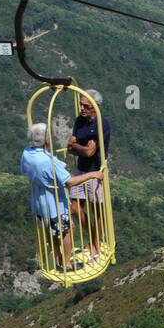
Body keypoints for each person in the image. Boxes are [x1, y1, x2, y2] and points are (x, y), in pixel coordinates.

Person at [21, 123, 101, 272]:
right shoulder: (49, 161)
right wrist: (93, 174)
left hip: (38, 203)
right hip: (55, 205)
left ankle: (58, 259)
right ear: (46, 140)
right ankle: (67, 264)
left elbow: (27, 170)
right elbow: (70, 182)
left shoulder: (26, 153)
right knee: (68, 230)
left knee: (50, 232)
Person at [66, 91, 111, 261]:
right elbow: (72, 148)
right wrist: (79, 148)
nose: (82, 108)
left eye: (86, 105)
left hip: (96, 171)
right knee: (75, 208)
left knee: (96, 210)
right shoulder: (79, 121)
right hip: (81, 169)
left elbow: (90, 152)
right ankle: (93, 239)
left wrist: (76, 146)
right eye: (81, 104)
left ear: (95, 106)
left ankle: (95, 245)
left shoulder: (102, 124)